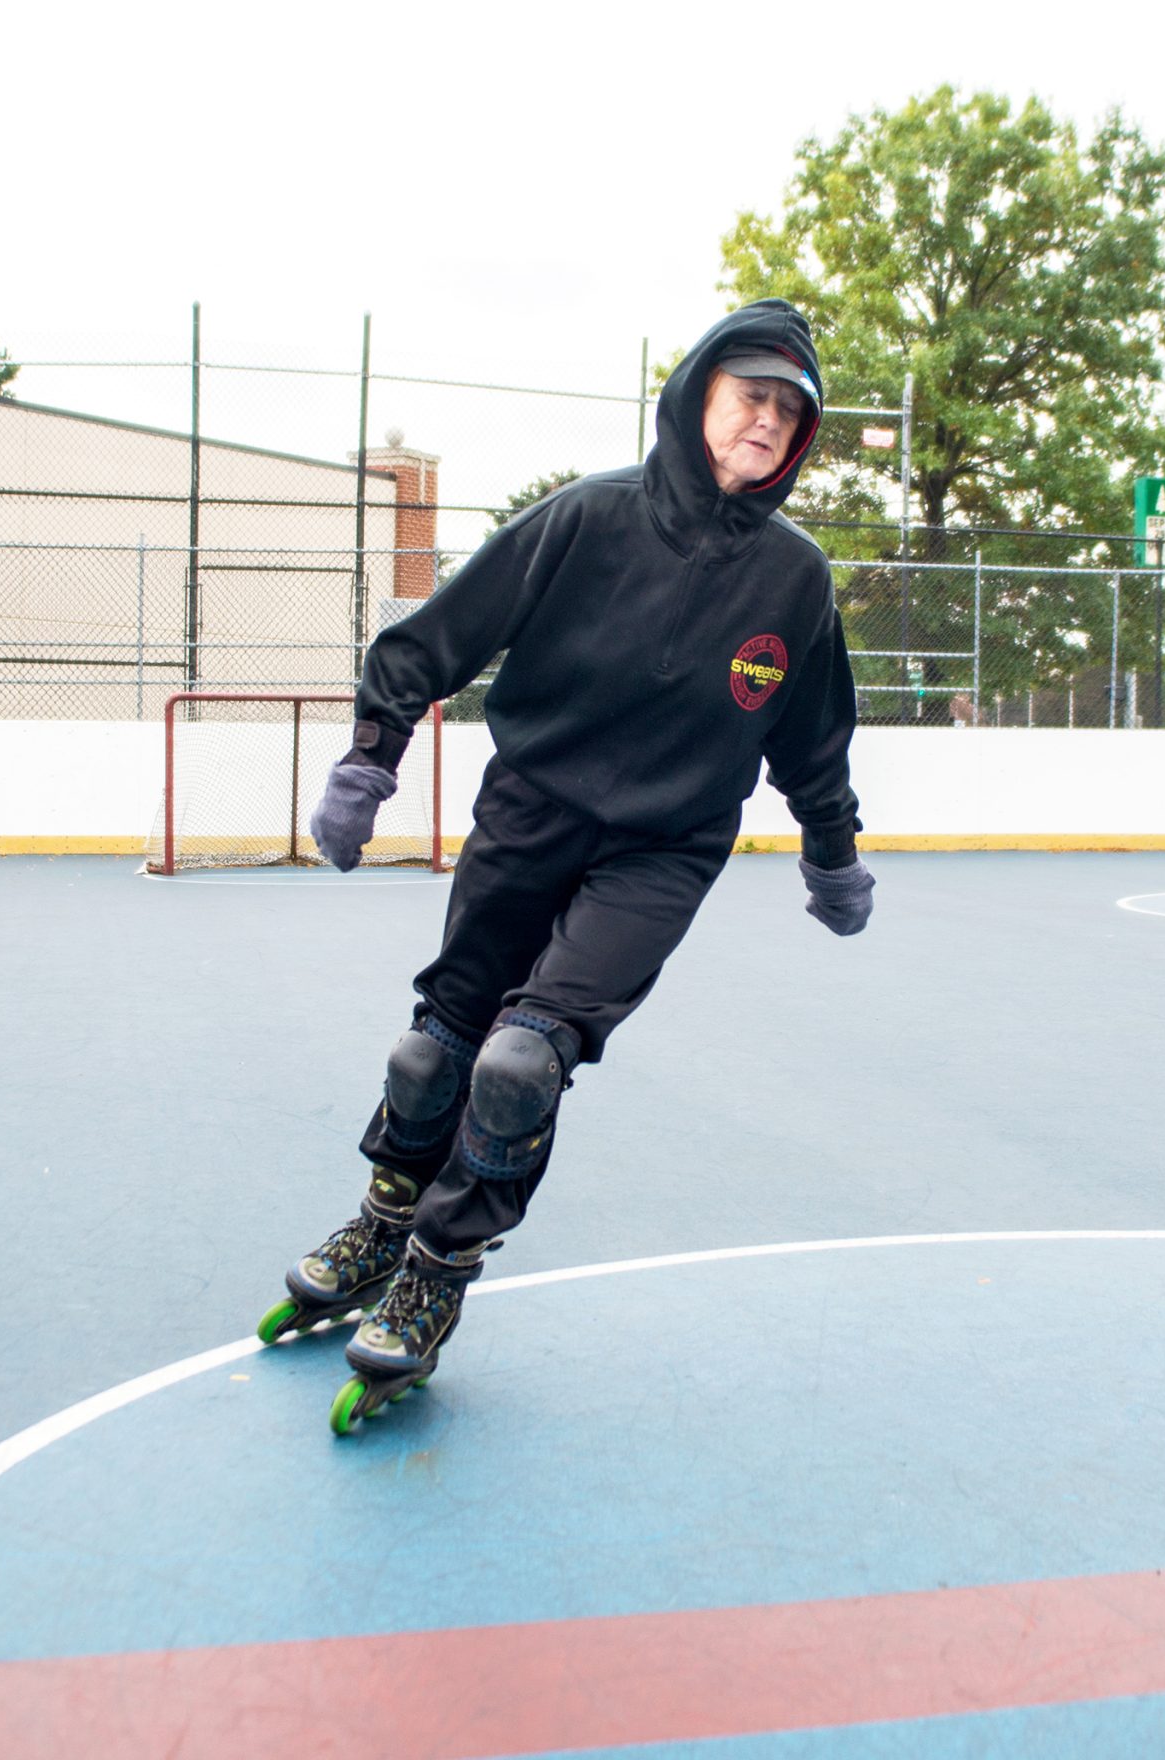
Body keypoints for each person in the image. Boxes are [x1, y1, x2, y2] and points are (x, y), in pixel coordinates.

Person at [261, 298, 873, 1429]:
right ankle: (385, 1211)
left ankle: (437, 1270)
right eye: (752, 397)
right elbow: (432, 638)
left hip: (663, 849)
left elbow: (812, 731)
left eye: (791, 412)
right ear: (699, 399)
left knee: (519, 1063)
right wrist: (368, 761)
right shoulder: (587, 519)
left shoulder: (795, 577)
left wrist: (831, 851)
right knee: (433, 1046)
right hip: (531, 814)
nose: (769, 422)